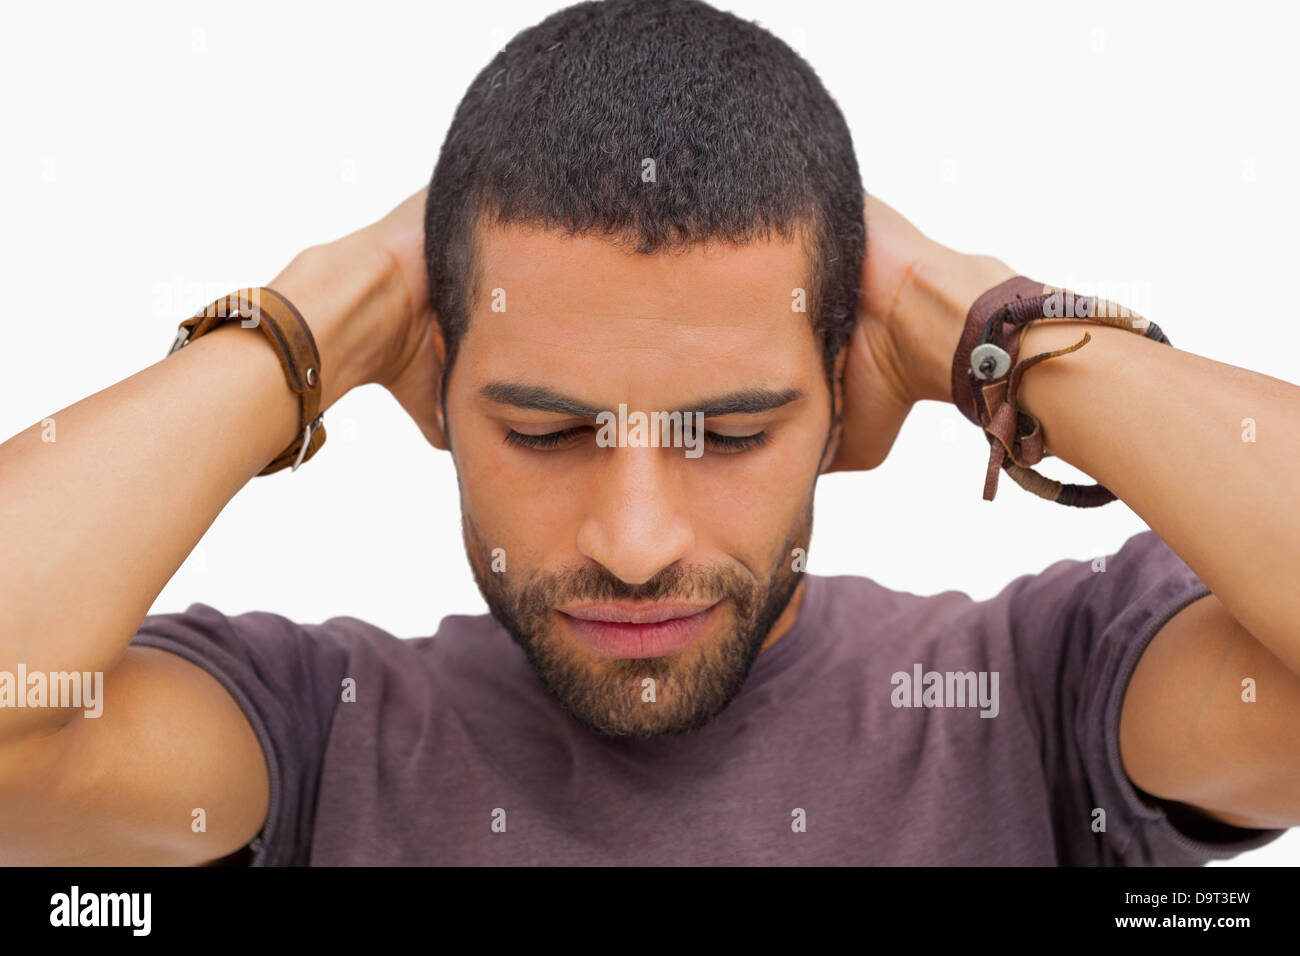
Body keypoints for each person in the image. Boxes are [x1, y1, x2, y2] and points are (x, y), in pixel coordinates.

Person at [1, 0, 1296, 866]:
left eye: (729, 435)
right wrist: (314, 322)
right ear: (433, 388)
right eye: (546, 433)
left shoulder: (1042, 702)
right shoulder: (314, 736)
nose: (632, 544)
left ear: (843, 397)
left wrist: (974, 317)